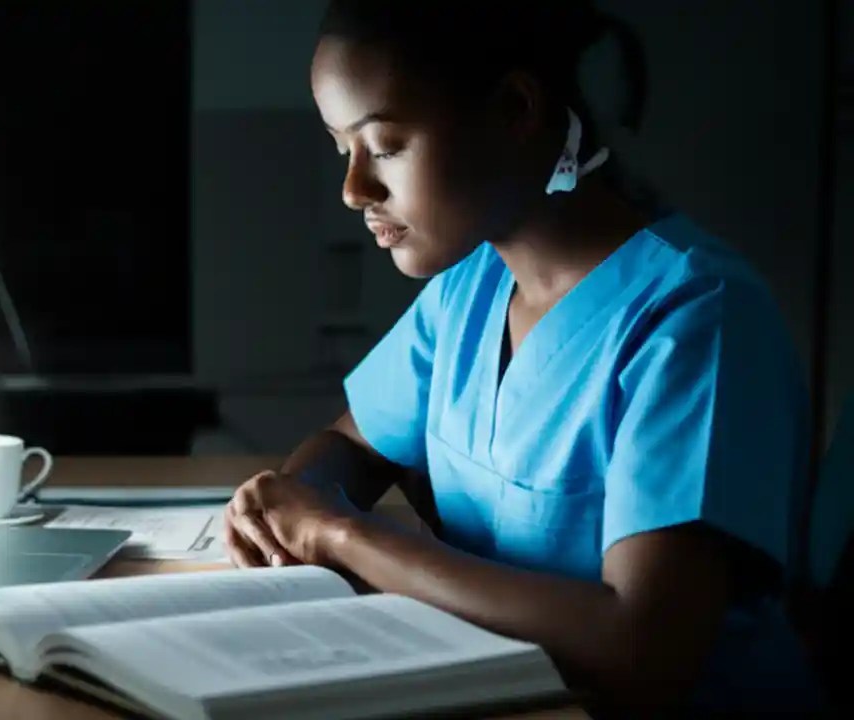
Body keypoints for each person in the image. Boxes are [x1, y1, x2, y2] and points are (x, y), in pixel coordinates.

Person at [222, 0, 824, 712]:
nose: (354, 189)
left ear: (514, 109)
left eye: (383, 145)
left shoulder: (695, 319)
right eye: (340, 150)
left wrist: (339, 534)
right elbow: (350, 443)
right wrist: (288, 512)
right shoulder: (469, 288)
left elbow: (643, 648)